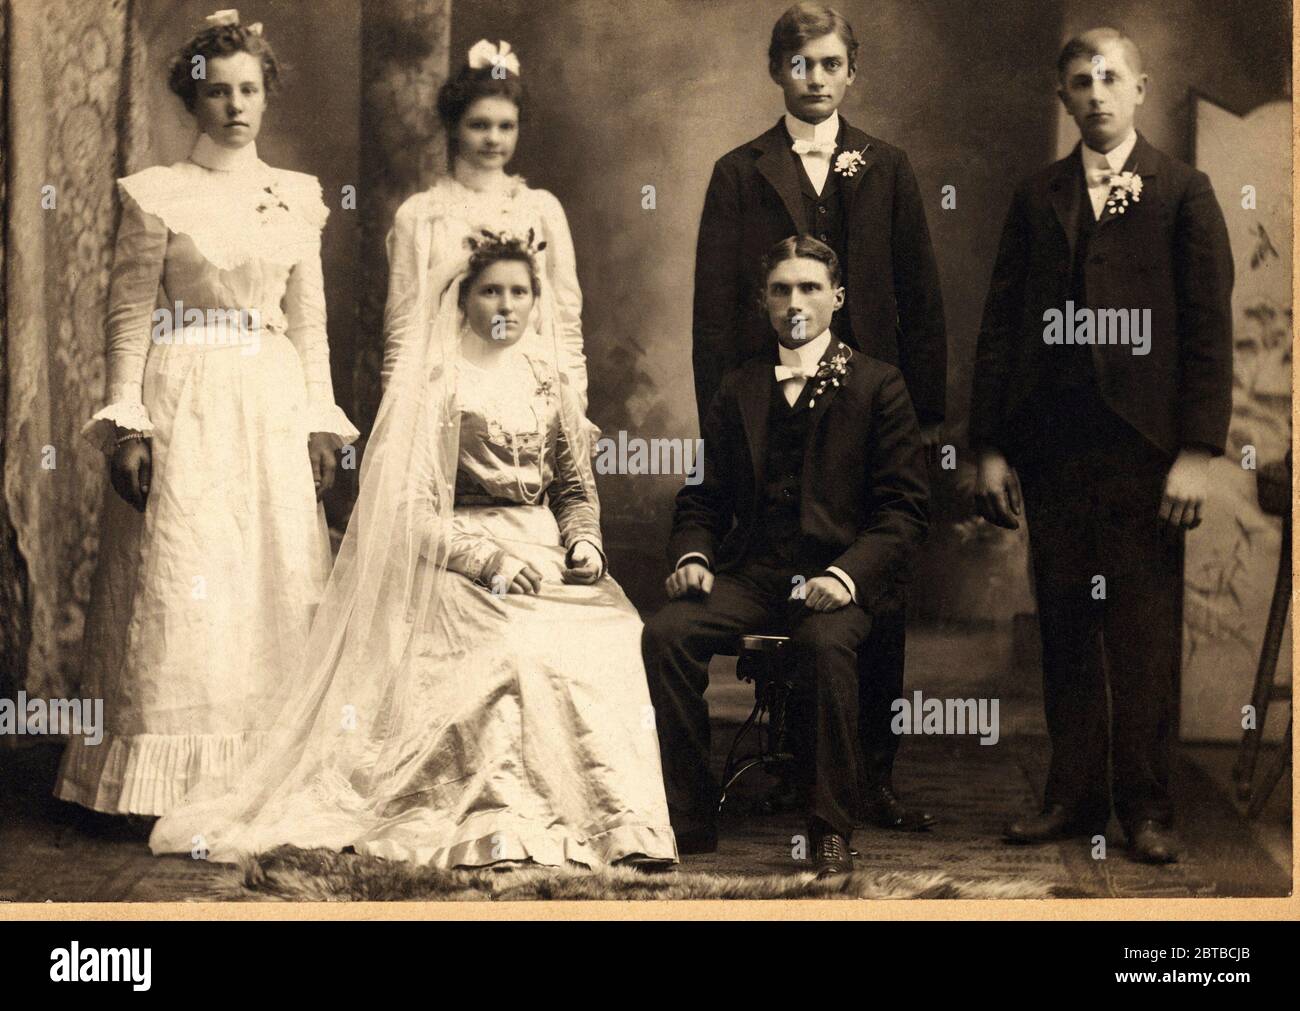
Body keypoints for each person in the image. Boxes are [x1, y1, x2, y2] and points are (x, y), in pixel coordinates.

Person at [150, 225, 676, 869]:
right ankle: (500, 825)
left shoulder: (550, 380)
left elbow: (573, 486)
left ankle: (617, 828)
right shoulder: (439, 383)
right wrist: (488, 562)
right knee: (512, 650)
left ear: (536, 302)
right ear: (463, 300)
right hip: (457, 557)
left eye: (518, 292)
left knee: (615, 634)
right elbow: (411, 514)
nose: (505, 306)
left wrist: (585, 541)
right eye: (490, 292)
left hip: (545, 551)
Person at [55, 10, 358, 817]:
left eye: (248, 90)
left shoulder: (292, 197)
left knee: (266, 576)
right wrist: (130, 424)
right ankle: (162, 786)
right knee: (186, 582)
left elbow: (310, 320)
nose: (234, 106)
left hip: (268, 396)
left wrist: (316, 421)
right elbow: (126, 316)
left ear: (267, 97)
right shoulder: (159, 194)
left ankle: (269, 771)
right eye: (217, 91)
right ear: (194, 98)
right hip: (183, 393)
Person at [970, 28, 1234, 864]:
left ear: (1140, 89)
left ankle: (1147, 805)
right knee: (1067, 627)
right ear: (1065, 97)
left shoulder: (1182, 192)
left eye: (1110, 77)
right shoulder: (1037, 193)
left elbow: (1208, 333)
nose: (1096, 93)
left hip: (1145, 452)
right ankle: (1072, 794)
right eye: (1080, 81)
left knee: (1144, 634)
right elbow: (1002, 326)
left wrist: (1197, 450)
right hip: (1053, 447)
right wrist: (990, 447)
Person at [691, 3, 946, 828]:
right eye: (800, 65)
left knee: (874, 589)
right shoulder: (740, 171)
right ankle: (792, 768)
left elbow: (920, 299)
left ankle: (871, 774)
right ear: (777, 72)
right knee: (783, 570)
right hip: (772, 395)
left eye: (831, 65)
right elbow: (713, 311)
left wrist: (927, 420)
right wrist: (728, 421)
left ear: (850, 73)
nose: (815, 79)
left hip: (873, 411)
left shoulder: (887, 165)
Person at [642, 235, 928, 876]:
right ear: (763, 301)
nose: (794, 302)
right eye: (781, 290)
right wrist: (693, 554)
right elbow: (704, 494)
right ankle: (688, 818)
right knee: (666, 633)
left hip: (838, 577)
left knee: (824, 648)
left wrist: (845, 574)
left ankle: (830, 828)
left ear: (837, 299)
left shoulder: (879, 385)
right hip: (757, 572)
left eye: (809, 288)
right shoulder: (738, 385)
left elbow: (903, 511)